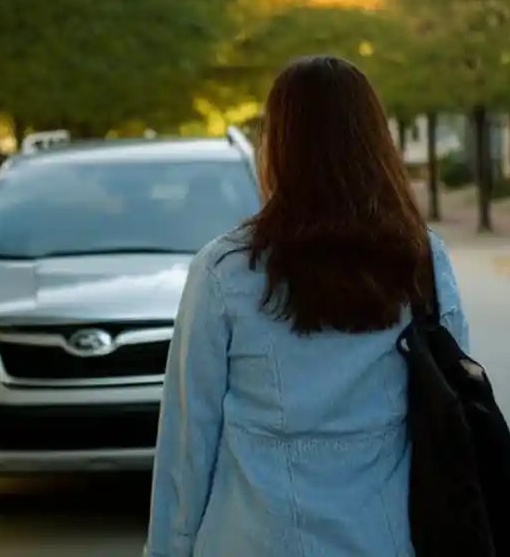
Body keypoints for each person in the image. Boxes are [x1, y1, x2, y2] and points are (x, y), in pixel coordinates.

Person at [145, 56, 470, 556]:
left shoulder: (225, 272)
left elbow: (186, 449)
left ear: (277, 147)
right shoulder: (420, 261)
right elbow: (454, 414)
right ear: (375, 145)